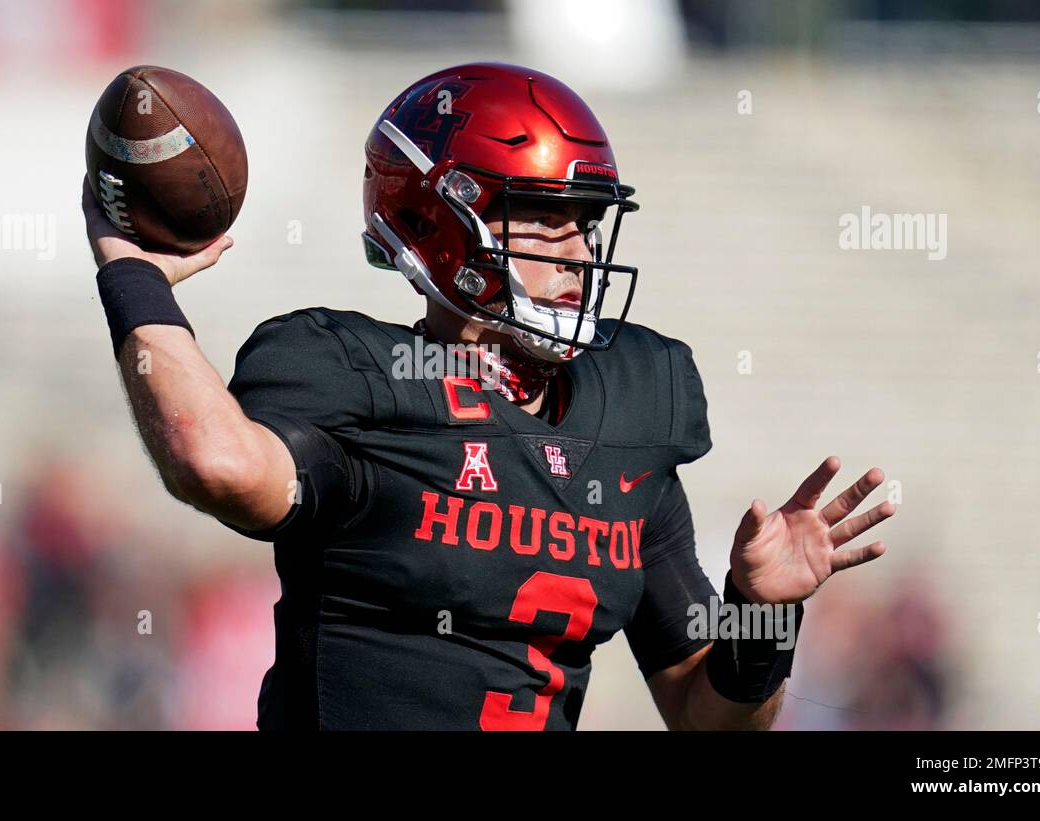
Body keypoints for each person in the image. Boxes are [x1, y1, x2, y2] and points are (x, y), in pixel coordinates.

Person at [82, 62, 896, 730]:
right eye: (546, 219)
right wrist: (134, 278)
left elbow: (706, 715)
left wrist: (763, 617)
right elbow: (214, 461)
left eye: (587, 222)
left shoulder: (630, 411)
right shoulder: (357, 379)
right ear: (444, 222)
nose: (579, 252)